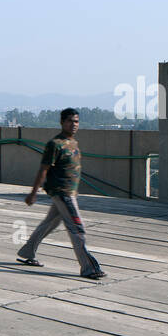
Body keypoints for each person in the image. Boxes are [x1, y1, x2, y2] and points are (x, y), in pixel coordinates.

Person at [18, 108, 106, 279]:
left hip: (69, 193)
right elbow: (43, 169)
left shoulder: (74, 143)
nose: (74, 125)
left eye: (76, 121)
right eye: (70, 121)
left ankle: (27, 251)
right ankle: (89, 268)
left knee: (49, 224)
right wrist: (33, 193)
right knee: (77, 228)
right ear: (62, 122)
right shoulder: (55, 144)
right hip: (62, 193)